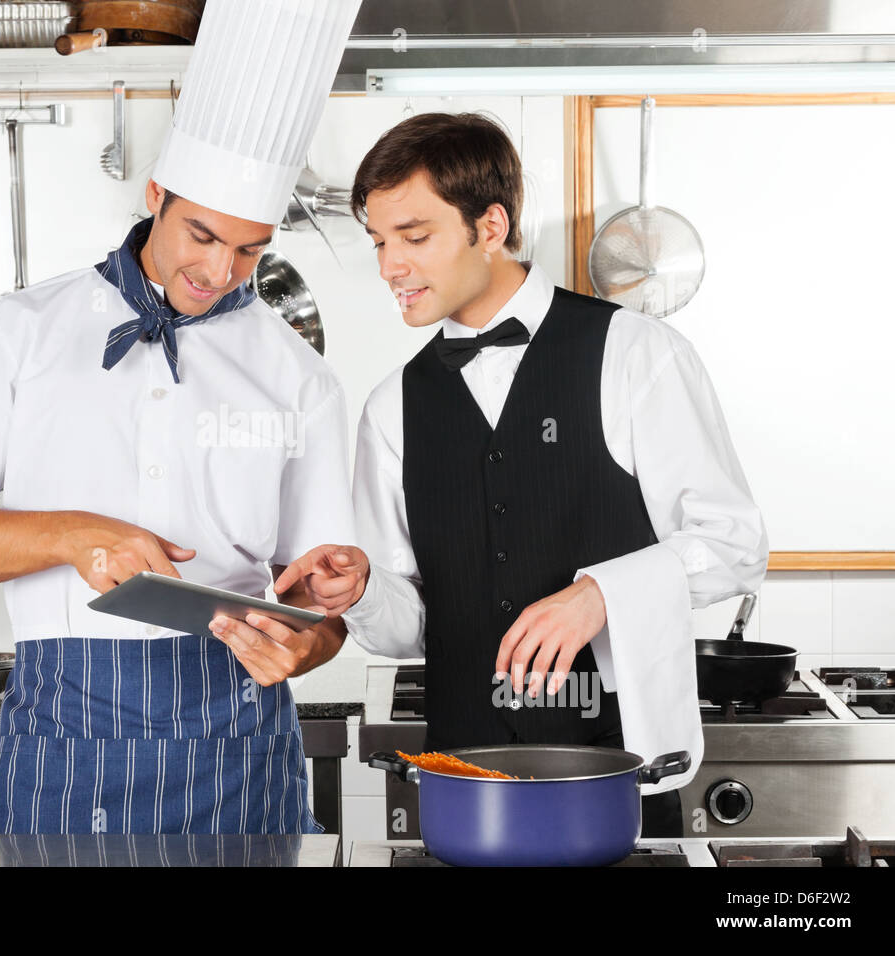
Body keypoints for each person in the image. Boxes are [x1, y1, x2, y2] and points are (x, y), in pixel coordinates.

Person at [0, 0, 362, 835]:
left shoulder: (300, 376)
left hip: (238, 746)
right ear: (156, 194)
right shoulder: (21, 331)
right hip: (65, 738)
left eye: (249, 249)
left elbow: (320, 612)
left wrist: (314, 629)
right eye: (201, 235)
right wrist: (75, 537)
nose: (218, 271)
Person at [276, 112, 769, 836]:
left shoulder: (637, 356)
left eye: (414, 237)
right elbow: (410, 629)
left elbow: (734, 543)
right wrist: (362, 588)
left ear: (491, 225)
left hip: (615, 774)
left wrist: (600, 595)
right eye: (380, 242)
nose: (390, 267)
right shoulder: (391, 408)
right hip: (464, 785)